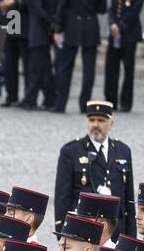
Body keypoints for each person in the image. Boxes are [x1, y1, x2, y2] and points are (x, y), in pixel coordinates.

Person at [52, 100, 136, 236]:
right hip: (83, 229)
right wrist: (63, 230)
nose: (95, 125)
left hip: (116, 230)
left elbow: (128, 197)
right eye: (91, 120)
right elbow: (62, 196)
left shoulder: (123, 151)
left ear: (111, 124)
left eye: (101, 120)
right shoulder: (71, 151)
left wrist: (131, 235)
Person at [53, 0, 108, 114]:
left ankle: (60, 104)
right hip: (91, 26)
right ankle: (84, 105)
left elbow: (62, 5)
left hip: (72, 26)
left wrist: (57, 28)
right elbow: (102, 9)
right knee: (89, 70)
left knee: (65, 67)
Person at [105, 0, 144, 112]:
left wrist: (120, 26)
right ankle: (111, 100)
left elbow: (134, 11)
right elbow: (112, 9)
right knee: (111, 67)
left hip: (129, 34)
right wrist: (112, 24)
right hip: (114, 34)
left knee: (128, 69)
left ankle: (126, 102)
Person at [19, 0, 59, 110]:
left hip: (38, 33)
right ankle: (49, 99)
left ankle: (31, 100)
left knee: (36, 69)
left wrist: (49, 23)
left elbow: (38, 8)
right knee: (44, 69)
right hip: (41, 33)